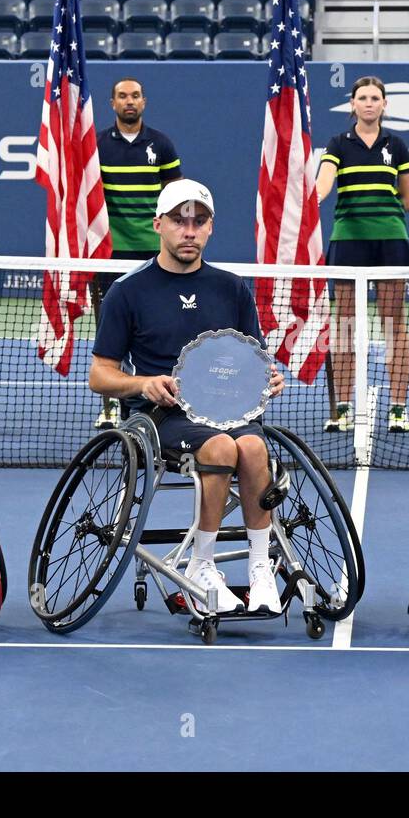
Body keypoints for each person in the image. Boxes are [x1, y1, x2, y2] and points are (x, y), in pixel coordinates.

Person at [89, 179, 287, 615]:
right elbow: (99, 375)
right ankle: (201, 565)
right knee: (220, 447)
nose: (189, 230)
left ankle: (259, 568)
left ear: (210, 229)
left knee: (253, 446)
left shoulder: (232, 288)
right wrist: (142, 385)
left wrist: (270, 376)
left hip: (228, 409)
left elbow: (254, 358)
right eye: (179, 220)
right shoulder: (127, 291)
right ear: (158, 224)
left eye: (199, 221)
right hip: (161, 417)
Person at [317, 76, 409, 434]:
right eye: (363, 98)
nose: (369, 103)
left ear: (385, 104)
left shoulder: (398, 146)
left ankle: (398, 408)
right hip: (348, 241)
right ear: (353, 105)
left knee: (394, 324)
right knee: (345, 325)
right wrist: (311, 195)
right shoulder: (338, 144)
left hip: (390, 240)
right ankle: (342, 408)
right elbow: (324, 184)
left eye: (376, 97)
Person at [91, 76, 183, 430]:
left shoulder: (161, 145)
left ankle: (161, 400)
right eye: (122, 96)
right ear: (112, 103)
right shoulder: (96, 144)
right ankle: (111, 408)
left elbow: (174, 201)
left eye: (135, 96)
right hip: (108, 252)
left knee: (157, 326)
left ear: (144, 102)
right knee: (108, 331)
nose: (129, 101)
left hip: (152, 252)